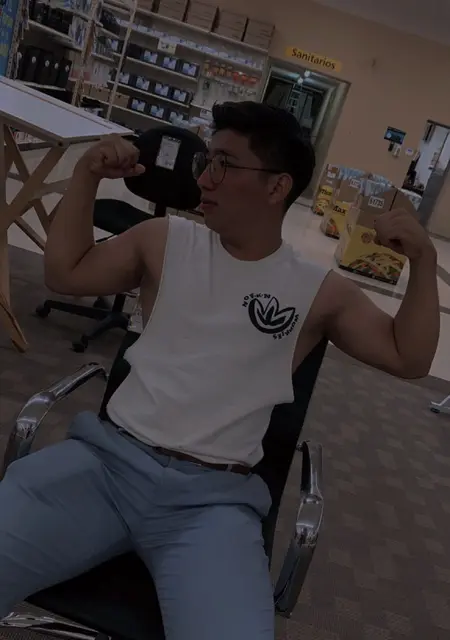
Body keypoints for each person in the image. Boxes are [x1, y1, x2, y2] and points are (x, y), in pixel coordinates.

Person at [0, 102, 439, 639]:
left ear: (277, 186)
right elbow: (64, 273)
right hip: (105, 468)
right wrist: (88, 175)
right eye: (206, 161)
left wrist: (423, 262)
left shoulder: (318, 291)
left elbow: (408, 357)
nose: (205, 178)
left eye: (224, 164)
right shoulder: (164, 241)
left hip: (210, 506)